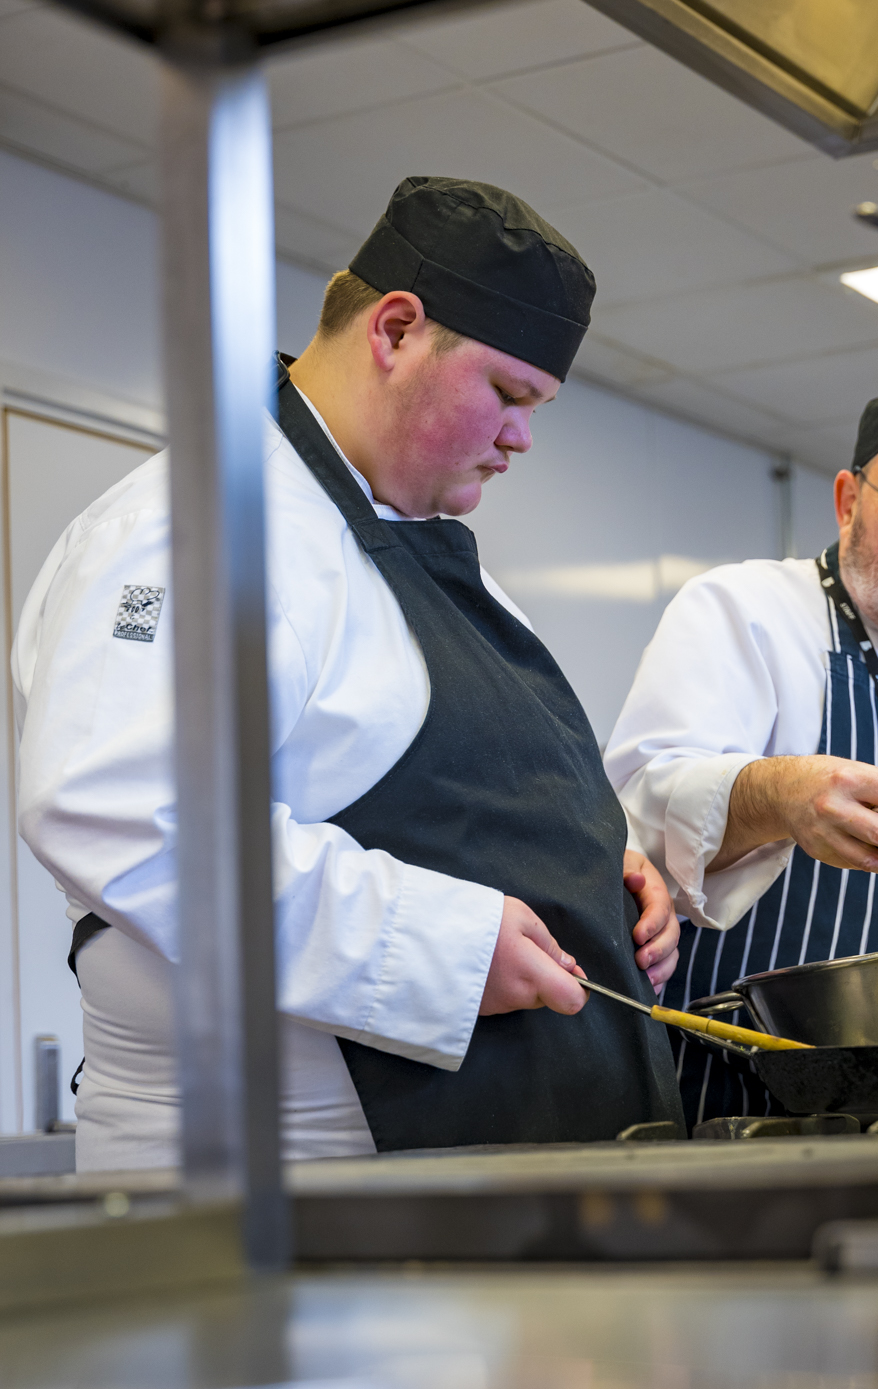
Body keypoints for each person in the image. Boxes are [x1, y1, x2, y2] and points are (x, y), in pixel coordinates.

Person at [15, 175, 684, 1168]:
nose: (521, 438)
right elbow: (116, 808)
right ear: (397, 330)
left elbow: (449, 786)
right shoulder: (192, 530)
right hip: (287, 1174)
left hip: (474, 1172)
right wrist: (439, 948)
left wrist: (604, 864)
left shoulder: (415, 550)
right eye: (508, 394)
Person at [605, 373, 878, 1129]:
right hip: (739, 1107)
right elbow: (638, 823)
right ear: (848, 500)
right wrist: (779, 797)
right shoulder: (747, 610)